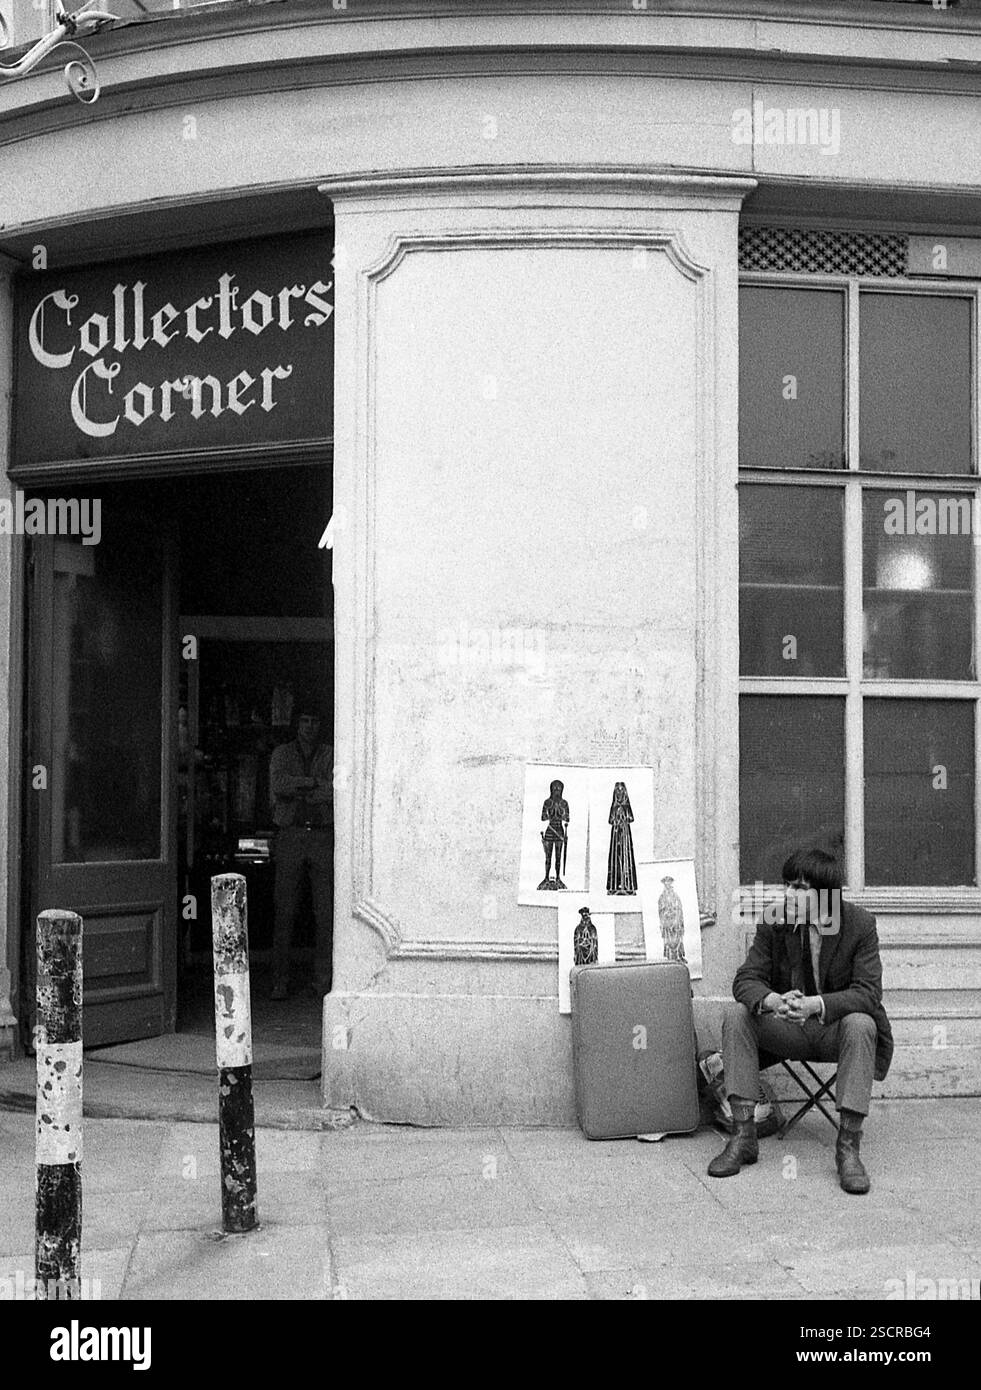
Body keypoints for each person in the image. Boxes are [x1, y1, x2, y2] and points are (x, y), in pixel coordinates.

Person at [707, 846, 893, 1195]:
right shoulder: (774, 920)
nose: (788, 894)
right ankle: (744, 1136)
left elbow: (869, 993)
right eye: (787, 885)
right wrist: (773, 1000)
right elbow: (745, 979)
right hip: (787, 1028)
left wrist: (816, 1004)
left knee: (862, 1023)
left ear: (825, 896)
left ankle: (848, 1148)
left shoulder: (859, 925)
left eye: (799, 888)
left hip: (833, 1031)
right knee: (737, 1014)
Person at [268, 701, 333, 1000]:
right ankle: (279, 981)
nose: (309, 726)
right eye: (305, 720)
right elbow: (279, 785)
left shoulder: (331, 753)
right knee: (285, 911)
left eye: (314, 721)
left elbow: (335, 789)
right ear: (297, 724)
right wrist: (312, 783)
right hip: (291, 836)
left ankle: (323, 981)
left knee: (325, 913)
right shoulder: (282, 753)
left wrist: (305, 788)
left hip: (321, 836)